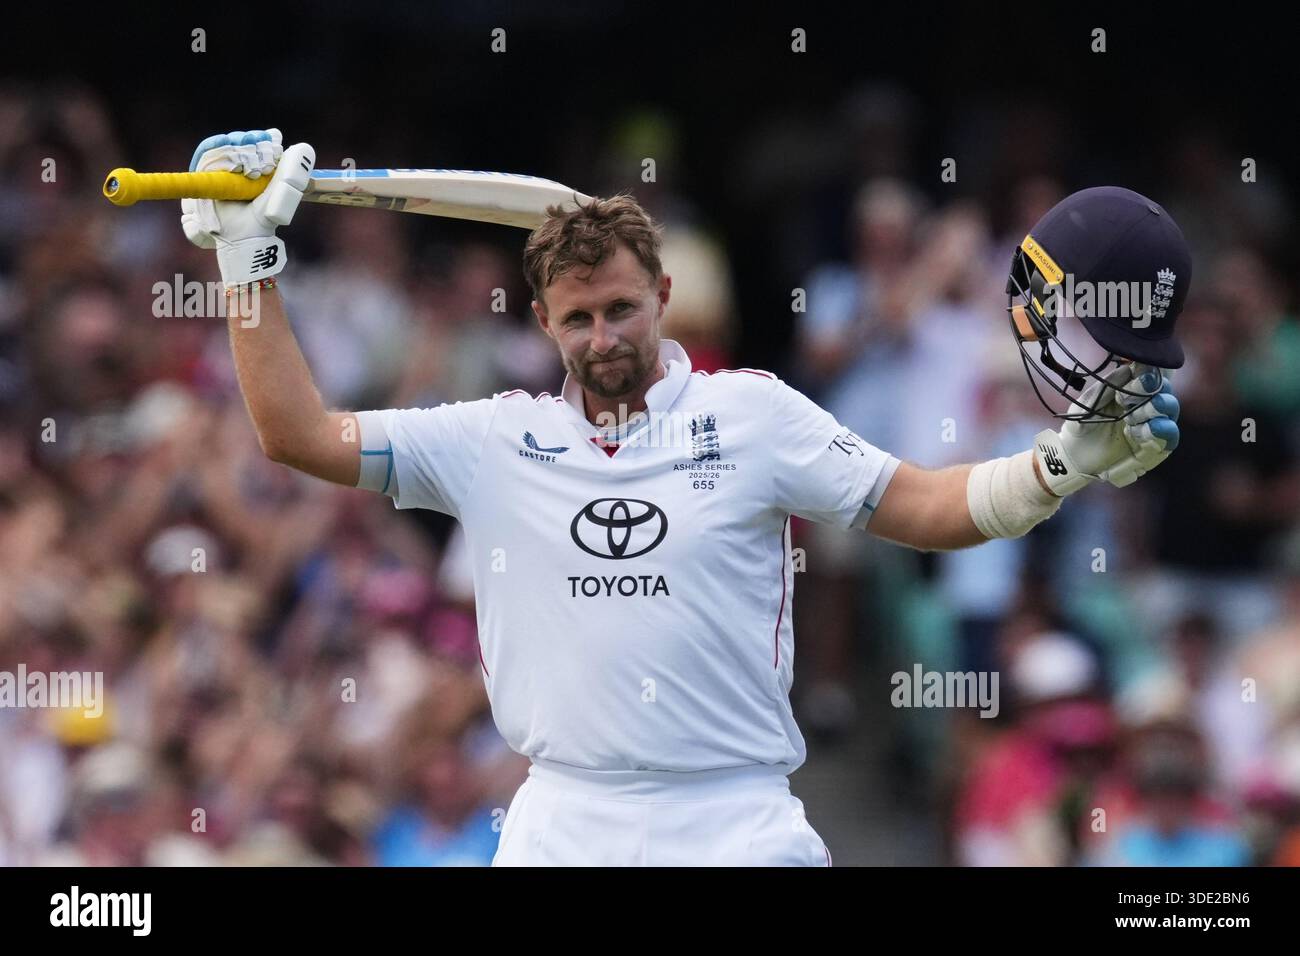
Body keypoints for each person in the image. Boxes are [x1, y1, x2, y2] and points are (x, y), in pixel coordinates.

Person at [181, 129, 1186, 865]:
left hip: (734, 821)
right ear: (542, 320)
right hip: (561, 823)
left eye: (623, 308)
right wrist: (244, 259)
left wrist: (1064, 460)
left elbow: (922, 504)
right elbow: (296, 435)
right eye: (579, 317)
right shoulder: (490, 439)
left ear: (664, 296)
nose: (605, 335)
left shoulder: (750, 415)